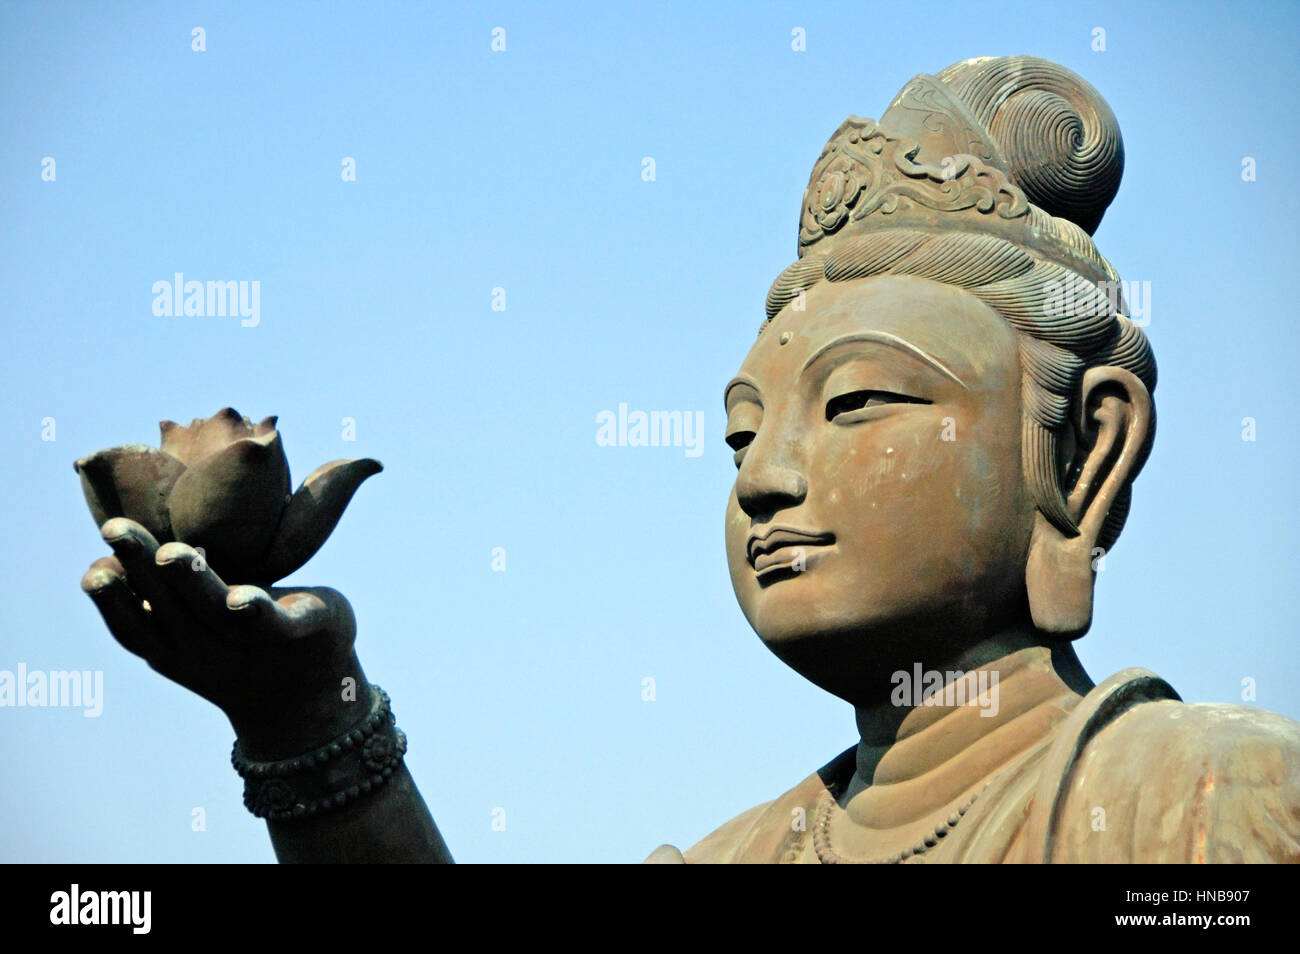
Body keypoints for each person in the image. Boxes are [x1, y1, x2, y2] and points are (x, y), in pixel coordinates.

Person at [77, 55, 1300, 864]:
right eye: (741, 431)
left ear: (1084, 451)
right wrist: (301, 721)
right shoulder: (730, 860)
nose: (762, 477)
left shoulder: (1201, 809)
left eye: (857, 401)